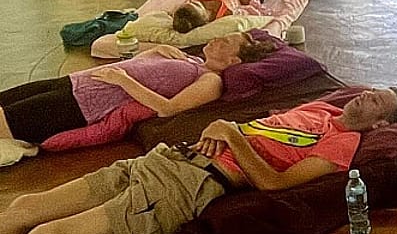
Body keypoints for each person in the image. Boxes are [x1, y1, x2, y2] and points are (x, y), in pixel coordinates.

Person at [0, 87, 397, 234]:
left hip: (188, 185)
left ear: (381, 125)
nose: (364, 98)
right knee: (27, 205)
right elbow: (263, 129)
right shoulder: (322, 108)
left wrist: (230, 136)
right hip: (166, 158)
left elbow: (275, 184)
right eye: (369, 92)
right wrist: (226, 131)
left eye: (376, 103)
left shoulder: (342, 144)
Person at [0, 34, 277, 150]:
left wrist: (122, 81)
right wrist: (156, 50)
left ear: (234, 61)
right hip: (75, 82)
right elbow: (141, 63)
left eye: (226, 42)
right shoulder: (192, 60)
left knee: (7, 121)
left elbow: (167, 108)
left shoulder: (211, 81)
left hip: (83, 104)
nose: (216, 39)